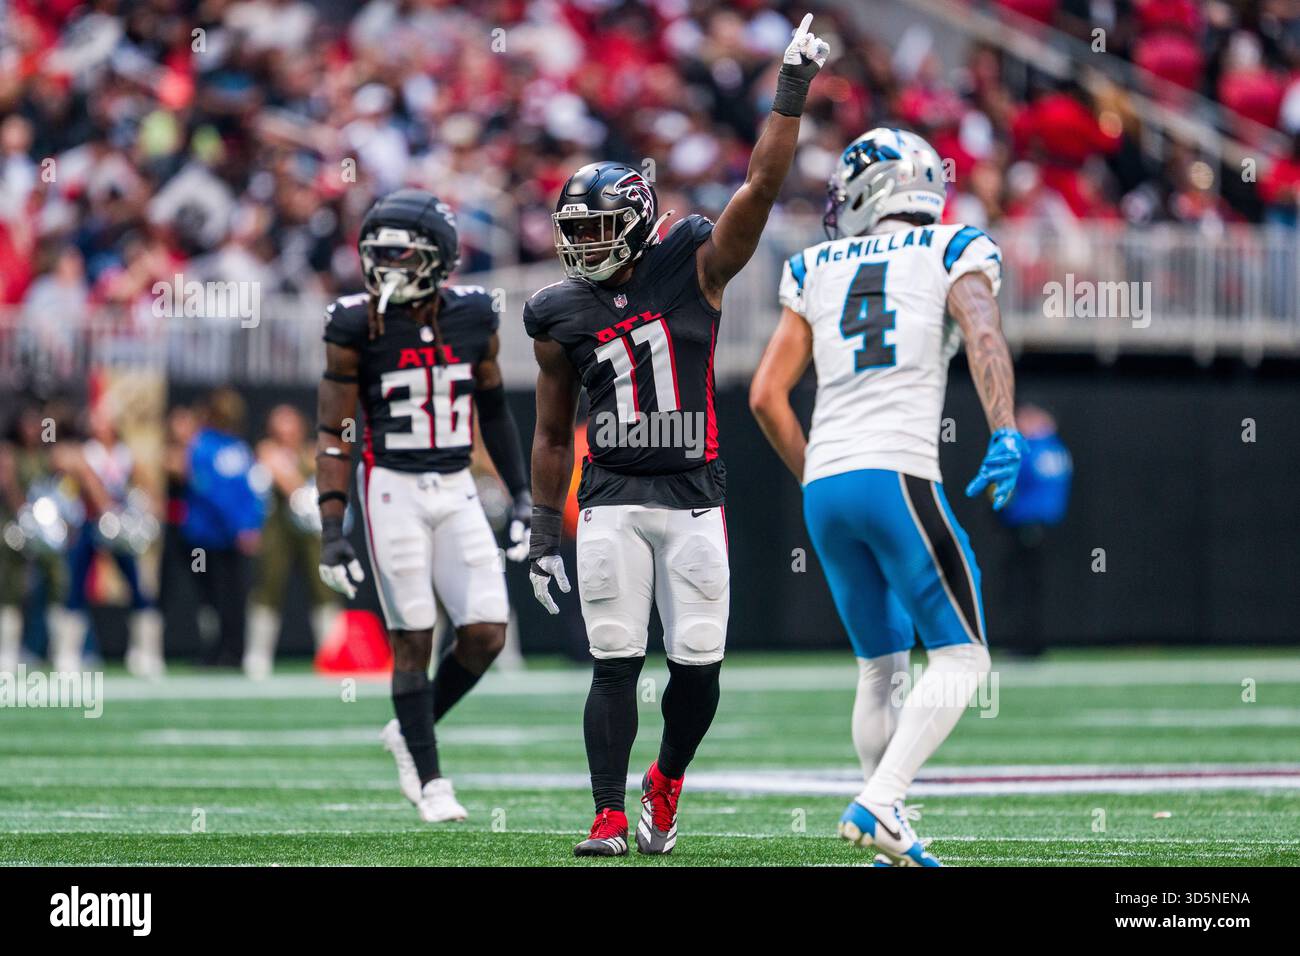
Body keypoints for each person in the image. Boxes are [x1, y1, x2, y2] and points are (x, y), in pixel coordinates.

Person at [523, 15, 830, 858]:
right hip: (613, 493)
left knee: (697, 669)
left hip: (694, 494)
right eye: (572, 229)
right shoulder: (556, 313)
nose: (581, 243)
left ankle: (667, 779)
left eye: (595, 227)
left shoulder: (693, 261)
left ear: (636, 219)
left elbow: (760, 189)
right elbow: (553, 432)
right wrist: (545, 523)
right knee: (614, 660)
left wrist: (790, 92)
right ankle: (607, 815)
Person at [749, 128, 1026, 866]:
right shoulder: (951, 246)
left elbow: (765, 397)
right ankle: (880, 801)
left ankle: (887, 827)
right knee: (963, 657)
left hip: (828, 486)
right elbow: (983, 331)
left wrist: (817, 476)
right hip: (896, 472)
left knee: (882, 667)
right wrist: (1003, 430)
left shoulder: (813, 264)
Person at [315, 189, 532, 824]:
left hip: (457, 481)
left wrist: (521, 495)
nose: (387, 269)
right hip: (392, 488)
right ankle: (432, 780)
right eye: (378, 256)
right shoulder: (356, 323)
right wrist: (333, 523)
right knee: (413, 635)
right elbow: (335, 431)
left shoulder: (472, 315)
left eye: (401, 256)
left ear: (438, 258)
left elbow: (492, 406)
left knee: (488, 631)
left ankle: (411, 728)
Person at [66, 404, 164, 677]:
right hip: (92, 523)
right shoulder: (85, 453)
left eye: (104, 422)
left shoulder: (125, 454)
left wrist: (149, 509)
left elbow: (145, 482)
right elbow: (89, 483)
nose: (100, 427)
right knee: (76, 585)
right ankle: (68, 655)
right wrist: (108, 509)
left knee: (137, 585)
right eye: (96, 422)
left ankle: (146, 653)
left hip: (119, 524)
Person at [244, 404, 340, 679]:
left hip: (310, 528)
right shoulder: (267, 450)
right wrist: (301, 488)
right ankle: (258, 656)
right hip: (278, 525)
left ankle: (331, 655)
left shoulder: (311, 450)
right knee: (269, 584)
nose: (285, 431)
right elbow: (288, 483)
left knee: (324, 585)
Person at [183, 389, 266, 668]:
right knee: (211, 597)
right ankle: (213, 651)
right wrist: (238, 526)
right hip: (207, 537)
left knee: (236, 595)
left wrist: (252, 525)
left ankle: (236, 651)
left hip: (235, 538)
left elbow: (253, 491)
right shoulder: (202, 446)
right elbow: (209, 491)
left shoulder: (239, 448)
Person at [996, 403, 1072, 657]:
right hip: (1049, 524)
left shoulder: (1031, 449)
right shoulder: (1058, 449)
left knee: (1023, 587)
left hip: (1027, 524)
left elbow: (1009, 482)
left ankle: (1024, 644)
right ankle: (1033, 642)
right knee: (1035, 586)